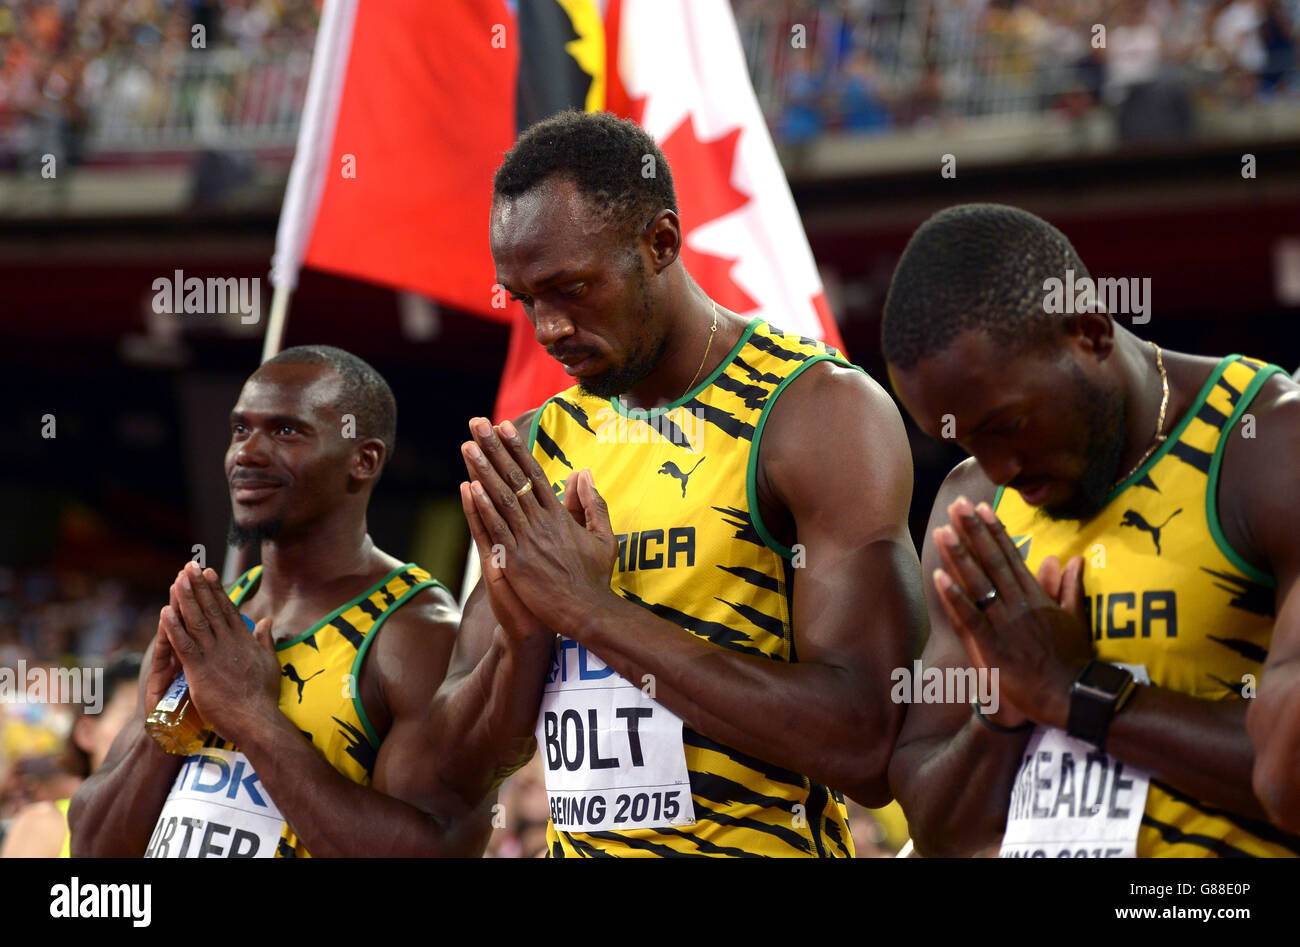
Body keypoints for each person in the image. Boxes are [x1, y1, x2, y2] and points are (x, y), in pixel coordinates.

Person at [429, 110, 922, 857]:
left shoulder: (814, 414)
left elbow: (867, 741)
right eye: (526, 298)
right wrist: (524, 638)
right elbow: (450, 773)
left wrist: (592, 611)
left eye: (571, 287)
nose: (550, 328)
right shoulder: (536, 446)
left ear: (661, 243)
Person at [882, 203, 1300, 857]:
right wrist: (1006, 708)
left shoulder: (1268, 447)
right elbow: (937, 828)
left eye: (1007, 426)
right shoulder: (974, 504)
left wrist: (1077, 691)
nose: (999, 468)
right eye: (963, 440)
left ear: (1090, 330)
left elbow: (1291, 780)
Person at [70, 346, 485, 857]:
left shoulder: (417, 631)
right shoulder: (213, 615)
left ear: (364, 459)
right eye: (241, 430)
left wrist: (251, 718)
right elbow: (94, 849)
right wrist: (165, 732)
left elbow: (438, 850)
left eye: (286, 431)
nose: (247, 452)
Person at [1, 654, 141, 858]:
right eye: (133, 719)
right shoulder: (46, 826)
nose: (152, 734)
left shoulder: (186, 828)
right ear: (87, 733)